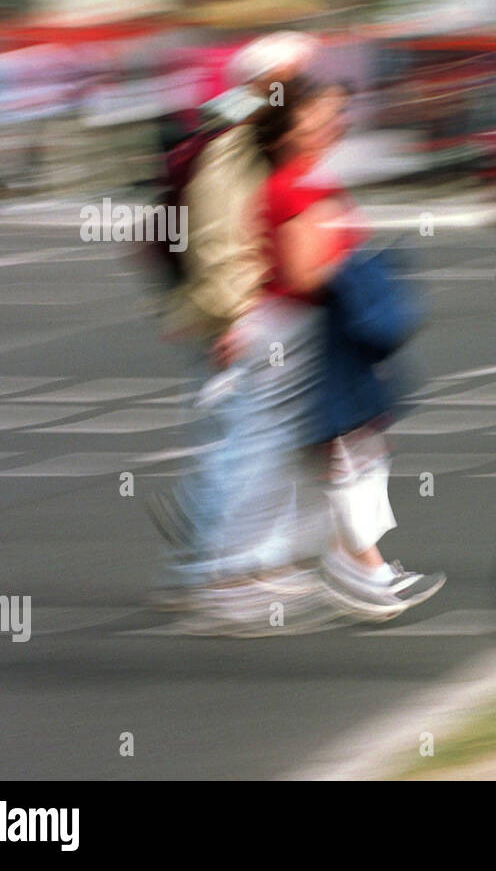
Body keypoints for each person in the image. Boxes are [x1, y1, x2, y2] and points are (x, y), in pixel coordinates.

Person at [225, 74, 444, 626]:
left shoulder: (312, 182)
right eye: (314, 114)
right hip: (303, 337)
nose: (328, 124)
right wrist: (355, 266)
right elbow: (302, 273)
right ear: (283, 128)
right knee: (341, 451)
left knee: (349, 450)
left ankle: (349, 563)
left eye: (333, 113)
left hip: (317, 334)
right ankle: (355, 567)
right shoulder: (294, 187)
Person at [147, 32, 318, 605]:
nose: (306, 87)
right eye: (297, 76)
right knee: (243, 441)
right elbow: (219, 234)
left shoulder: (253, 133)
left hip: (258, 310)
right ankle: (216, 567)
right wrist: (232, 316)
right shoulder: (235, 137)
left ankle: (247, 558)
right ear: (268, 82)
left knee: (258, 439)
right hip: (240, 314)